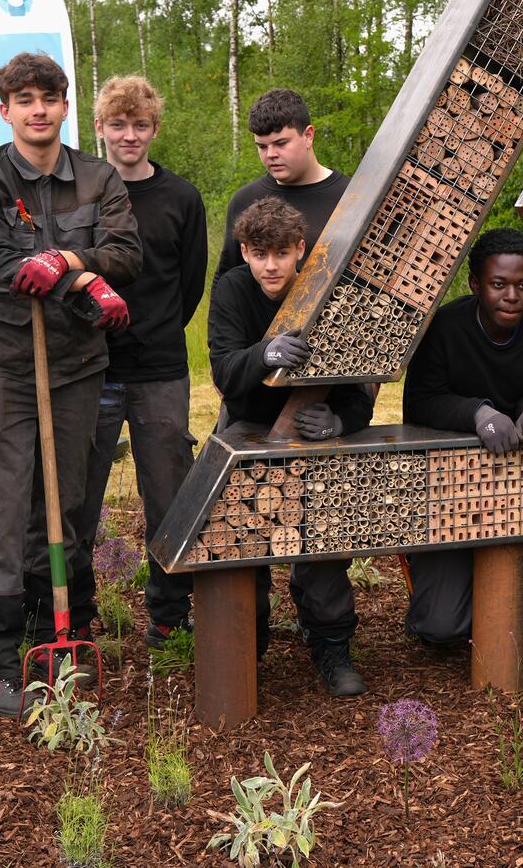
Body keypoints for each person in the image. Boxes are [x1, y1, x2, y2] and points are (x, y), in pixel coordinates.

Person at [0, 52, 141, 717]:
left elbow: (128, 252)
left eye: (49, 98)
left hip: (76, 366)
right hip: (4, 367)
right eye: (25, 100)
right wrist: (85, 280)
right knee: (1, 507)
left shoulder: (98, 177)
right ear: (5, 110)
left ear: (65, 106)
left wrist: (66, 258)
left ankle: (59, 628)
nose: (38, 110)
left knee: (65, 501)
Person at [208, 198, 372, 696]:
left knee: (324, 540)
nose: (271, 266)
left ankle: (331, 645)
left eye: (281, 253)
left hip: (311, 432)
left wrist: (340, 419)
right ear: (245, 252)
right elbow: (225, 373)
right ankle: (248, 643)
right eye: (260, 255)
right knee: (242, 539)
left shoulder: (326, 289)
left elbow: (359, 387)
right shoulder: (232, 289)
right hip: (247, 427)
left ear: (301, 249)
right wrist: (266, 352)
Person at [78, 76, 207, 646]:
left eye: (140, 125)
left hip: (160, 370)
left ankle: (168, 614)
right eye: (118, 124)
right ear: (100, 128)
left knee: (169, 495)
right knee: (80, 496)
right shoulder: (82, 193)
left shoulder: (181, 198)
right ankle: (76, 614)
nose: (128, 135)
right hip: (90, 368)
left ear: (154, 129)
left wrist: (154, 329)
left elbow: (190, 283)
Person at [403, 228, 523, 646]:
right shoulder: (443, 327)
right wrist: (478, 412)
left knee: (522, 615)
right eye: (498, 284)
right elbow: (420, 402)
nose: (511, 296)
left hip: (516, 482)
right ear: (475, 284)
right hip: (448, 483)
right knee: (441, 629)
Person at [211, 89, 348, 287]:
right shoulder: (246, 201)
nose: (270, 154)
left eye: (281, 143)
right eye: (262, 147)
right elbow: (226, 280)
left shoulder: (353, 197)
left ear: (308, 136)